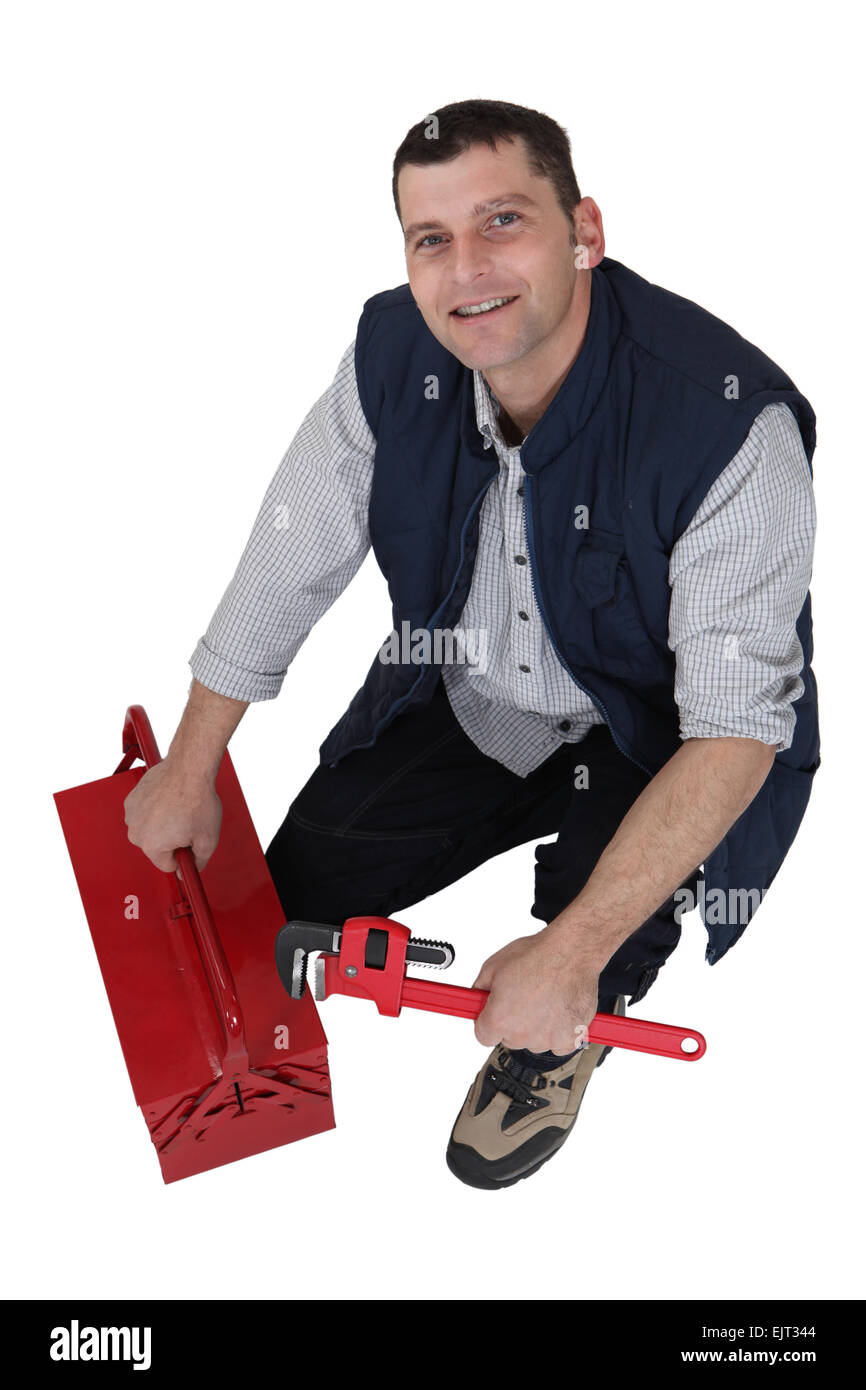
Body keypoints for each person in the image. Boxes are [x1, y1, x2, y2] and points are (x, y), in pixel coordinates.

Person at [123, 99, 819, 1190]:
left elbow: (733, 732)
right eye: (431, 239)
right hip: (481, 696)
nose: (466, 269)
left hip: (655, 737)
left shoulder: (728, 422)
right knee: (286, 888)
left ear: (583, 229)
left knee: (585, 937)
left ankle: (569, 1017)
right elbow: (288, 558)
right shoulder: (391, 353)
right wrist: (189, 760)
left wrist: (569, 953)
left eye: (504, 221)